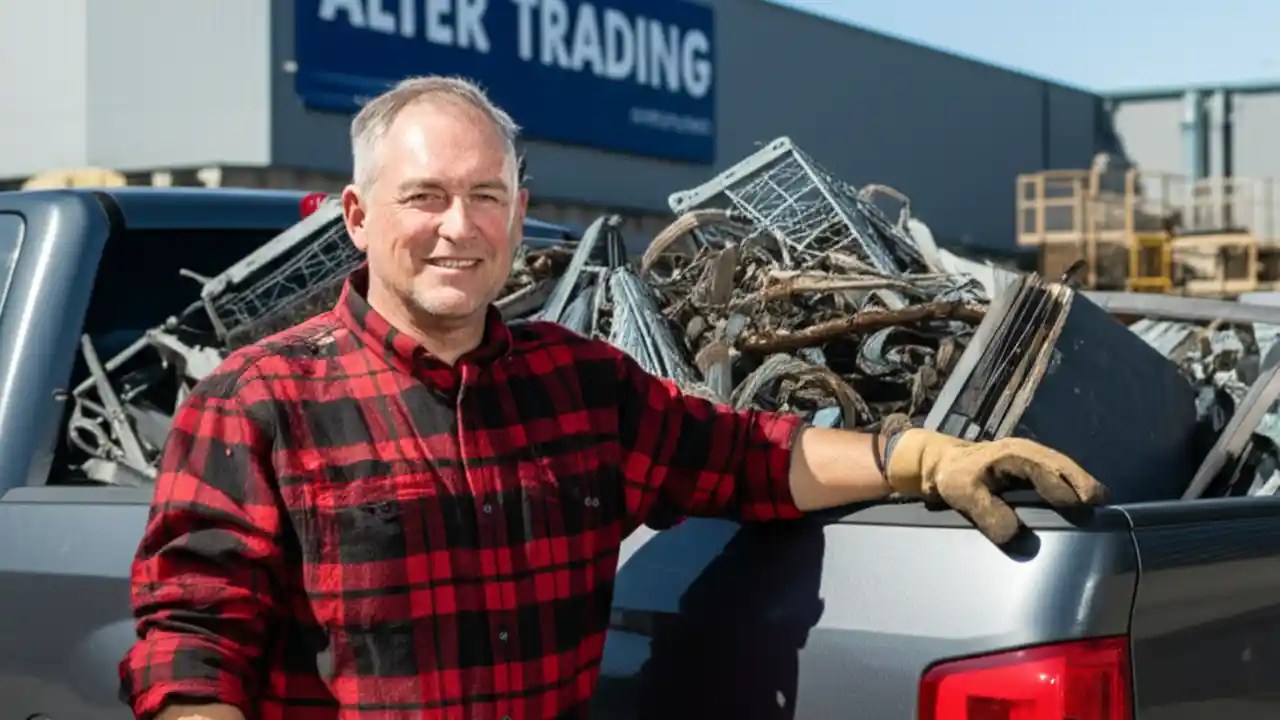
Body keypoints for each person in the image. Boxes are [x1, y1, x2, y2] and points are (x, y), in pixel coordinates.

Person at [118, 75, 1108, 720]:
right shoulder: (260, 402)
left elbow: (749, 456)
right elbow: (195, 640)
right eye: (423, 197)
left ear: (516, 210)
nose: (456, 228)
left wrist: (919, 457)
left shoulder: (576, 383)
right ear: (358, 216)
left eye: (486, 196)